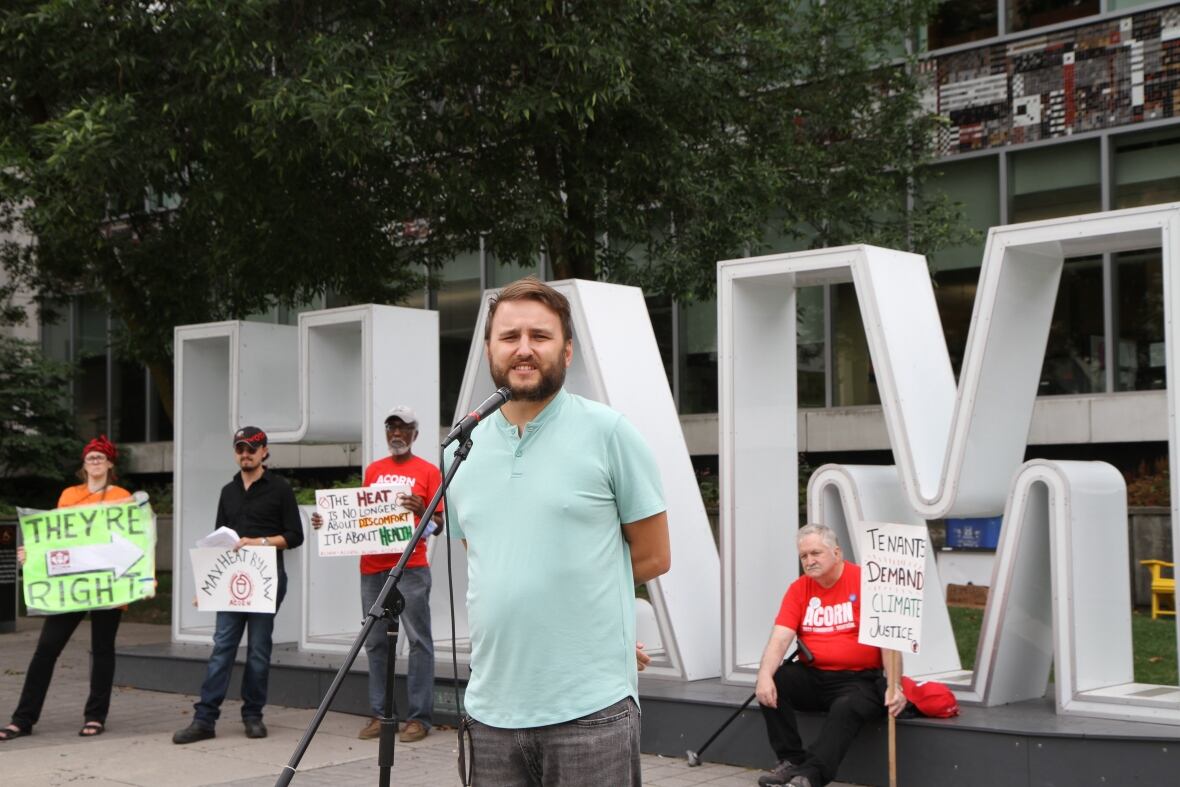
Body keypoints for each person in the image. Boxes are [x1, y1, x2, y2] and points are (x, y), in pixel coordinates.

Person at [444, 277, 671, 786]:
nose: (524, 349)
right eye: (509, 337)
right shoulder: (459, 450)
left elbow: (654, 555)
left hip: (590, 710)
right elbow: (487, 556)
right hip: (490, 710)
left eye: (540, 336)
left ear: (566, 351)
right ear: (488, 349)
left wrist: (593, 608)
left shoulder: (611, 434)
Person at [310, 405, 442, 742]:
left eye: (403, 428)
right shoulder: (373, 471)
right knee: (375, 642)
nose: (396, 433)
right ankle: (381, 715)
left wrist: (423, 511)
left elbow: (441, 523)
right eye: (391, 428)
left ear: (415, 434)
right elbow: (358, 516)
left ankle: (419, 719)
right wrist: (329, 523)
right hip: (372, 567)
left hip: (410, 567)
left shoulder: (428, 472)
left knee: (419, 642)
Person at [172, 426, 304, 744]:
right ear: (235, 452)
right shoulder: (227, 491)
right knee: (222, 650)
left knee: (259, 651)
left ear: (264, 452)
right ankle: (204, 719)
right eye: (240, 448)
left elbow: (295, 536)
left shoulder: (280, 488)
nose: (245, 454)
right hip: (230, 583)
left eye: (252, 448)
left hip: (267, 580)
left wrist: (257, 542)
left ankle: (253, 715)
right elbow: (219, 542)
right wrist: (207, 586)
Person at [753, 523, 907, 787]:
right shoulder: (799, 589)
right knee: (775, 681)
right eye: (803, 556)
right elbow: (780, 638)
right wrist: (764, 676)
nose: (809, 561)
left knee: (846, 706)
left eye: (815, 553)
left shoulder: (868, 582)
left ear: (837, 552)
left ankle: (810, 776)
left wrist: (895, 685)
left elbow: (889, 642)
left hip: (859, 681)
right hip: (814, 676)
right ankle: (790, 761)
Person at [1, 436, 132, 741]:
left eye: (101, 457)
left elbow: (132, 538)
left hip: (108, 583)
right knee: (46, 648)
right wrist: (31, 553)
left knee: (102, 649)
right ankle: (23, 719)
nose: (96, 462)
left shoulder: (123, 496)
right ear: (83, 464)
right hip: (72, 583)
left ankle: (96, 716)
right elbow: (56, 536)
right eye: (91, 457)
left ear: (111, 464)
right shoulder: (69, 495)